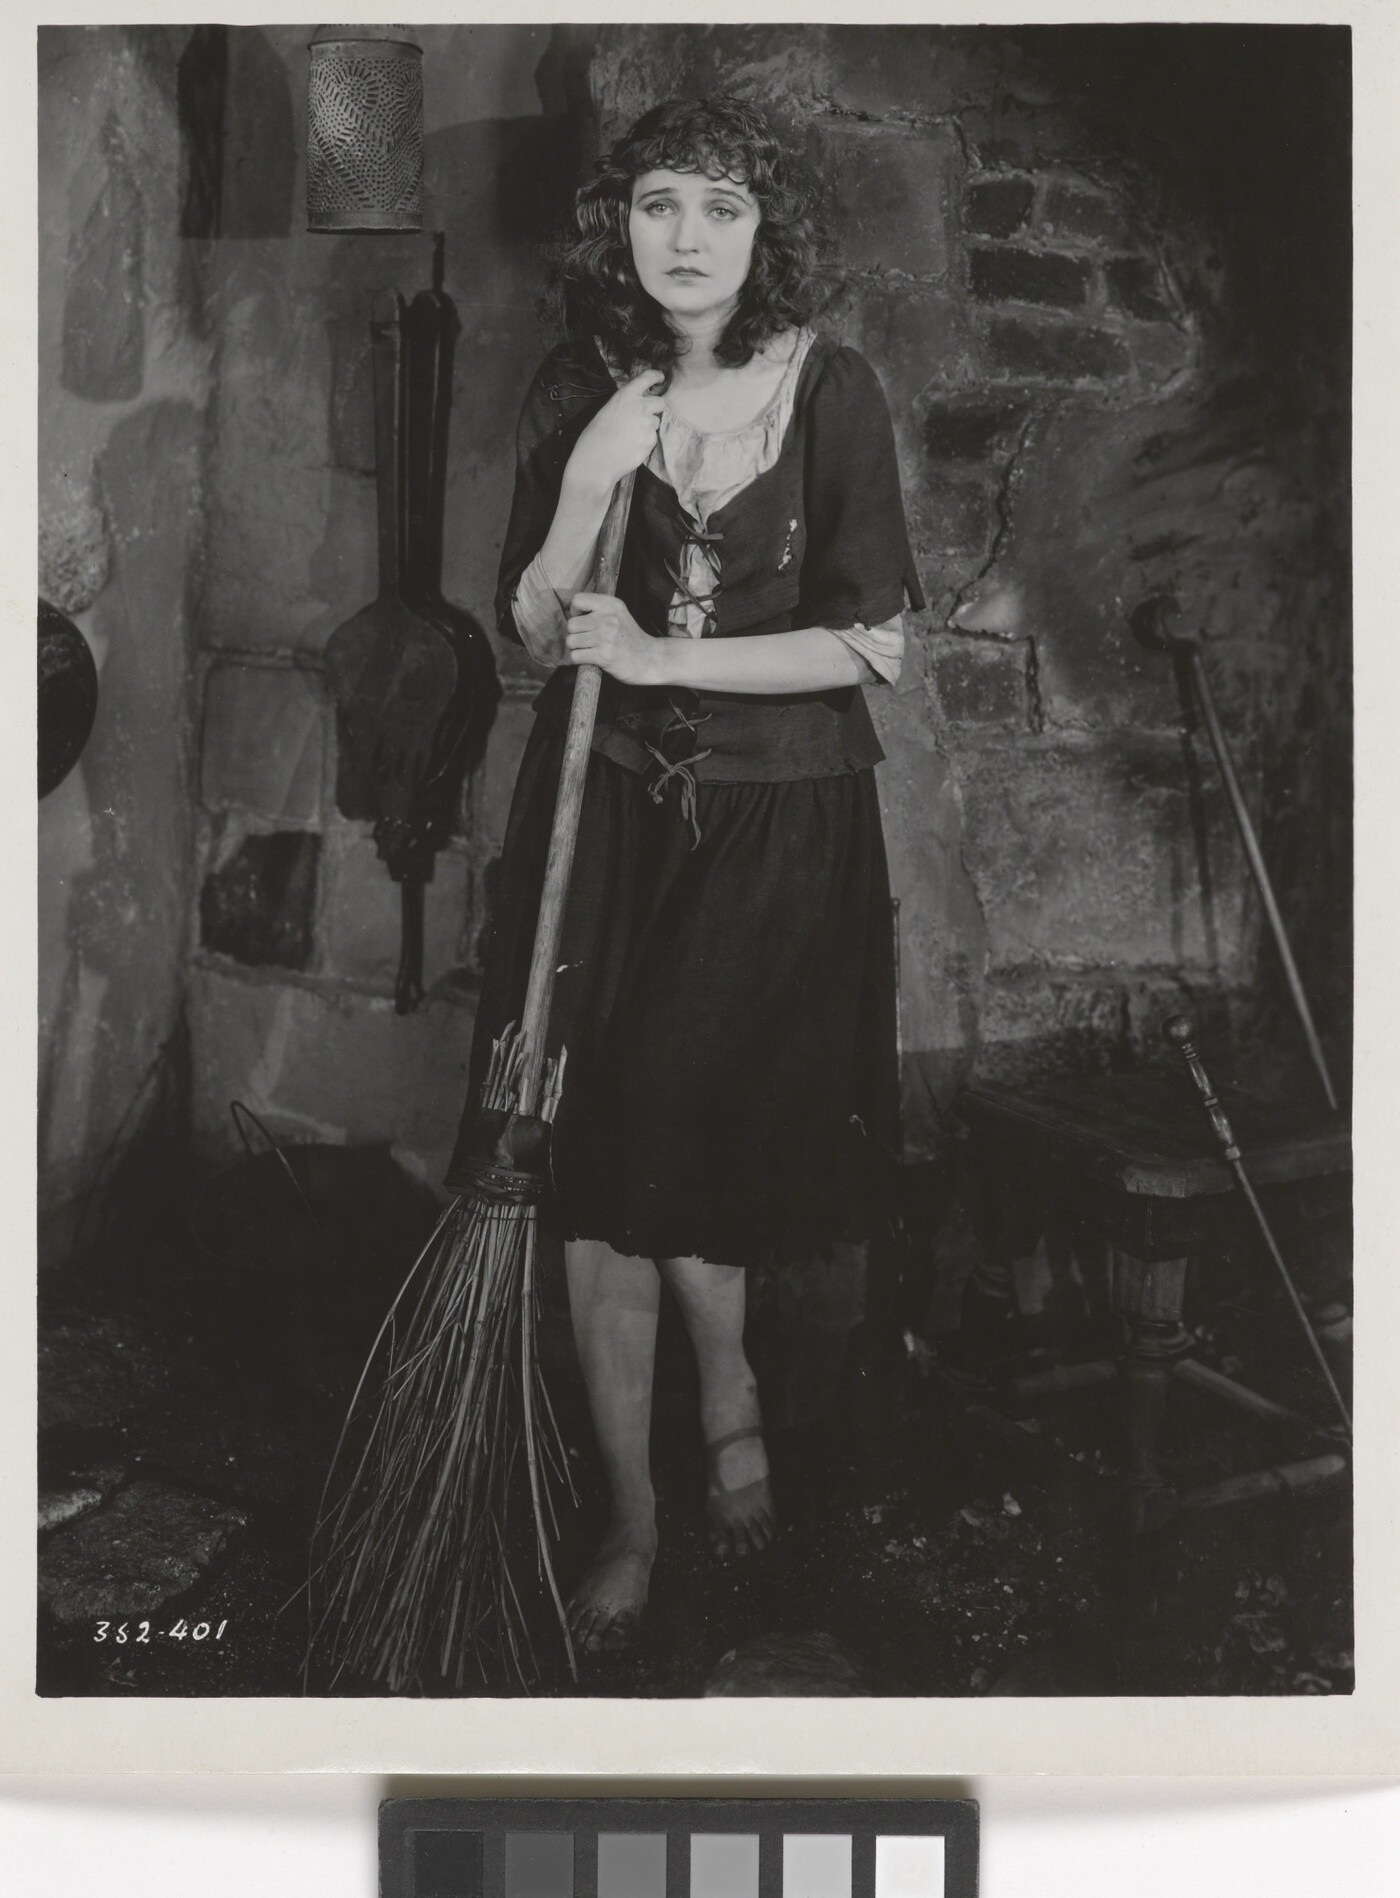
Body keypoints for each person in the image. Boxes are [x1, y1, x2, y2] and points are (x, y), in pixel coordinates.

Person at [451, 94, 924, 1656]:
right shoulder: (582, 387)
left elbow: (879, 646)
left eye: (720, 207)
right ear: (622, 226)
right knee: (594, 1149)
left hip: (779, 819)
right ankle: (638, 1513)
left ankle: (727, 1405)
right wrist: (592, 482)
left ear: (762, 231)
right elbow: (530, 628)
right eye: (659, 203)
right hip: (608, 808)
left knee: (693, 1129)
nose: (688, 237)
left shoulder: (830, 388)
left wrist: (662, 648)